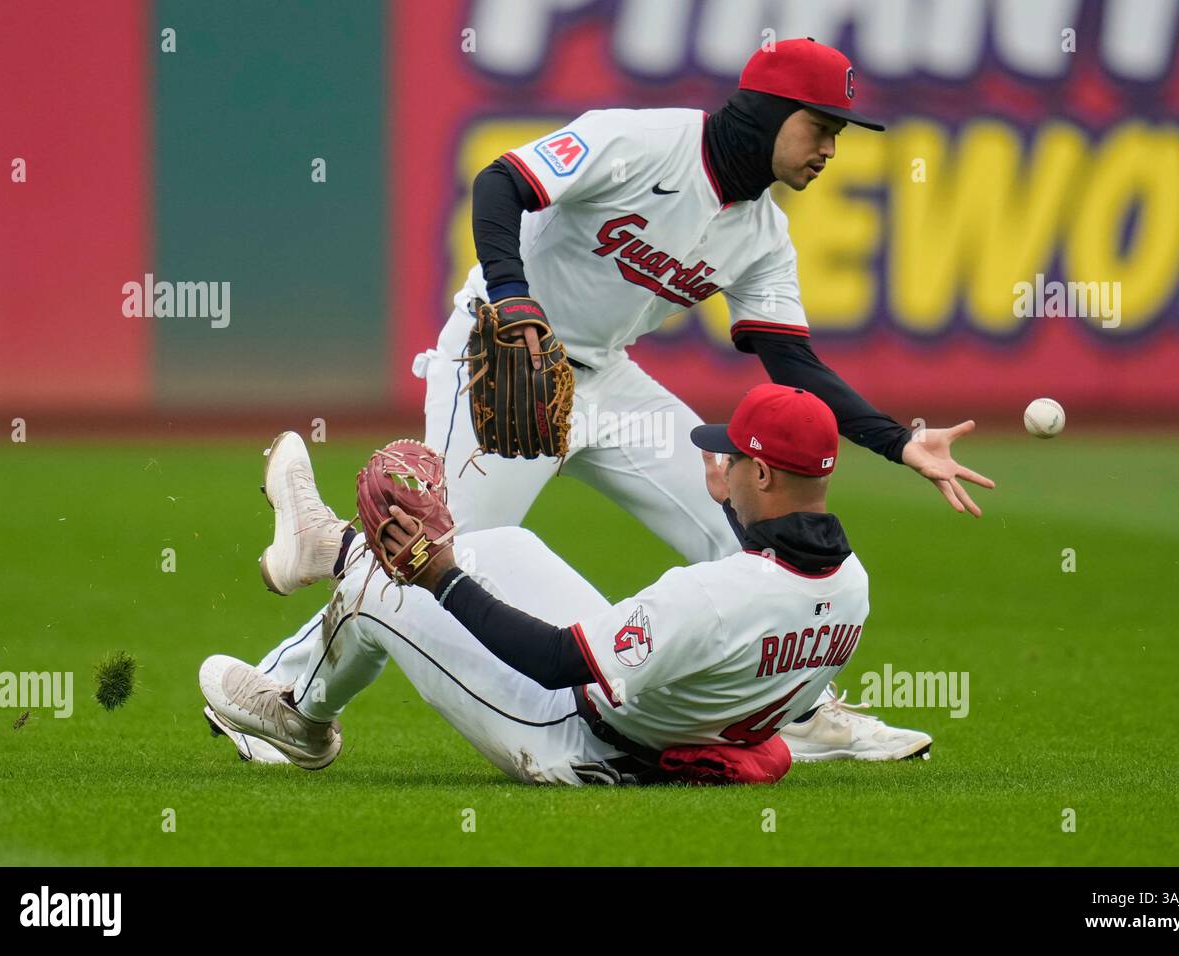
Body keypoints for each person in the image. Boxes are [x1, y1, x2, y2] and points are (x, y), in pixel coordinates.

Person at [251, 37, 993, 759]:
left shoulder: (762, 234)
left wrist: (900, 442)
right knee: (434, 556)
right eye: (821, 128)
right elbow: (500, 183)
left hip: (605, 379)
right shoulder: (642, 143)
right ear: (769, 112)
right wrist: (511, 296)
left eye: (838, 134)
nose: (831, 148)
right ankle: (288, 693)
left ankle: (798, 708)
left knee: (737, 521)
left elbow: (791, 362)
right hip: (503, 359)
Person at [201, 386, 931, 782]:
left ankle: (304, 716)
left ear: (765, 474)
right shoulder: (851, 586)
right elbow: (771, 577)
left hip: (573, 738)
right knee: (508, 544)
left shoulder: (710, 598)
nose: (721, 465)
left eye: (732, 458)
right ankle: (329, 548)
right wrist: (733, 504)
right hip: (681, 721)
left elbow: (554, 661)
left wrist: (443, 580)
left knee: (389, 586)